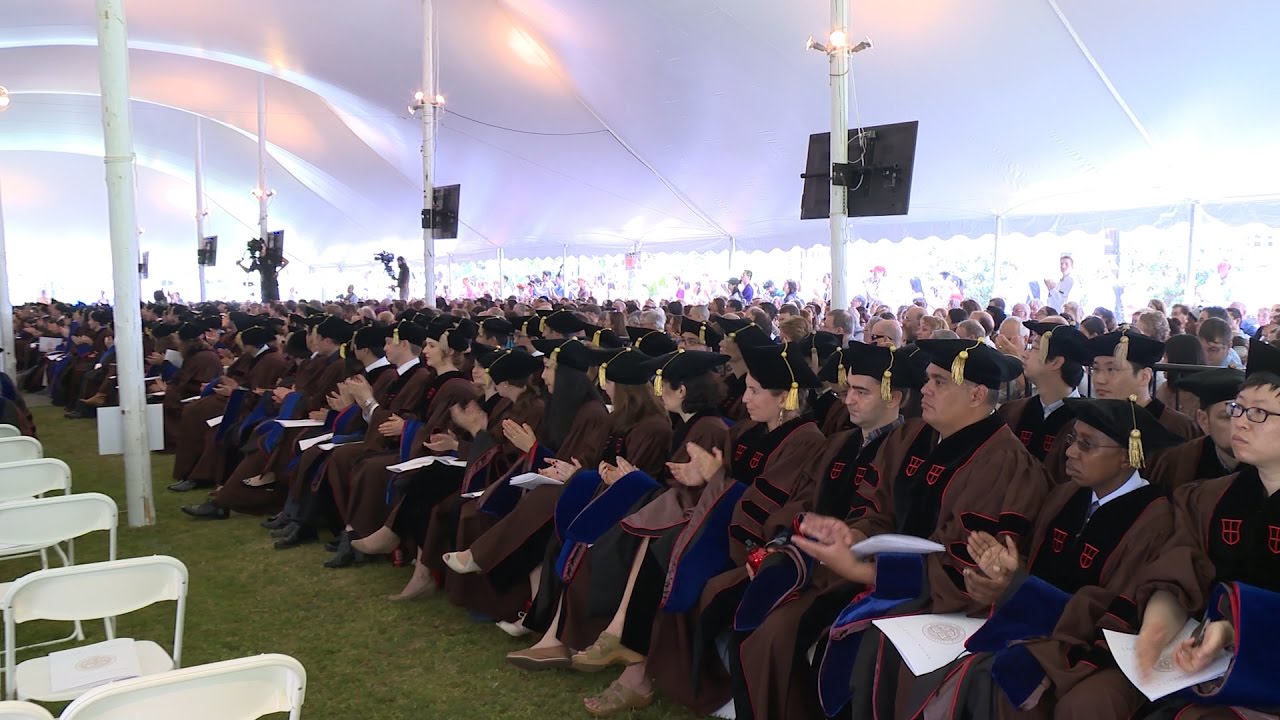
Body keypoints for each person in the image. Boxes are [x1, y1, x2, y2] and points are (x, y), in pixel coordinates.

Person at [802, 338, 1048, 718]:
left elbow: (963, 564)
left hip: (945, 602)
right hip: (896, 584)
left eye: (939, 382)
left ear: (976, 394)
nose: (925, 389)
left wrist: (868, 571)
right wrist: (854, 535)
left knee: (872, 646)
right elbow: (880, 508)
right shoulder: (911, 437)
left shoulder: (1003, 462)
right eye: (928, 379)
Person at [902, 397, 1182, 719]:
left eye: (1087, 445)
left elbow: (1117, 614)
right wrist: (1002, 576)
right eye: (1072, 439)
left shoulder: (1153, 520)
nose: (1070, 452)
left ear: (1127, 457)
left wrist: (1018, 588)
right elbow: (1031, 571)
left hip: (1084, 642)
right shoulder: (1066, 496)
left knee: (998, 677)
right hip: (1036, 627)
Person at [726, 343, 924, 720]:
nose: (848, 399)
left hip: (852, 574)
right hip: (808, 561)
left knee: (775, 634)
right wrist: (781, 541)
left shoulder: (906, 449)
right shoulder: (838, 443)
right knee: (746, 620)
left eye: (861, 391)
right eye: (847, 389)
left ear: (894, 396)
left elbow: (885, 519)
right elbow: (803, 503)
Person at [643, 342, 828, 715]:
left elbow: (772, 507)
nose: (744, 399)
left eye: (755, 391)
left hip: (751, 544)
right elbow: (725, 483)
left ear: (786, 398)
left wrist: (716, 480)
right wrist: (704, 477)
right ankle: (661, 667)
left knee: (694, 573)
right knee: (663, 548)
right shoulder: (747, 430)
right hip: (719, 529)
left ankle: (713, 683)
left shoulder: (807, 441)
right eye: (747, 389)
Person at [1132, 339, 1280, 718]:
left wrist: (1233, 631)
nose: (1240, 422)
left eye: (1260, 413)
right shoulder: (1209, 499)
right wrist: (1156, 628)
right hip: (1207, 669)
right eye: (1238, 408)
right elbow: (1180, 569)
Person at [998, 322, 1090, 482]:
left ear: (1055, 362)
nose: (1025, 354)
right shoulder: (1012, 412)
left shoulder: (1088, 422)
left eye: (1034, 348)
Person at [1086, 329, 1201, 440]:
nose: (1099, 380)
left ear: (1144, 376)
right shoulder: (1089, 421)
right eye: (1096, 369)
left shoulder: (1177, 427)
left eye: (1111, 369)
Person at [1148, 368, 1245, 490]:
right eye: (1228, 417)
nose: (1242, 424)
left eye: (1249, 415)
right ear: (1204, 421)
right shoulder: (1176, 463)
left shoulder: (1272, 465)